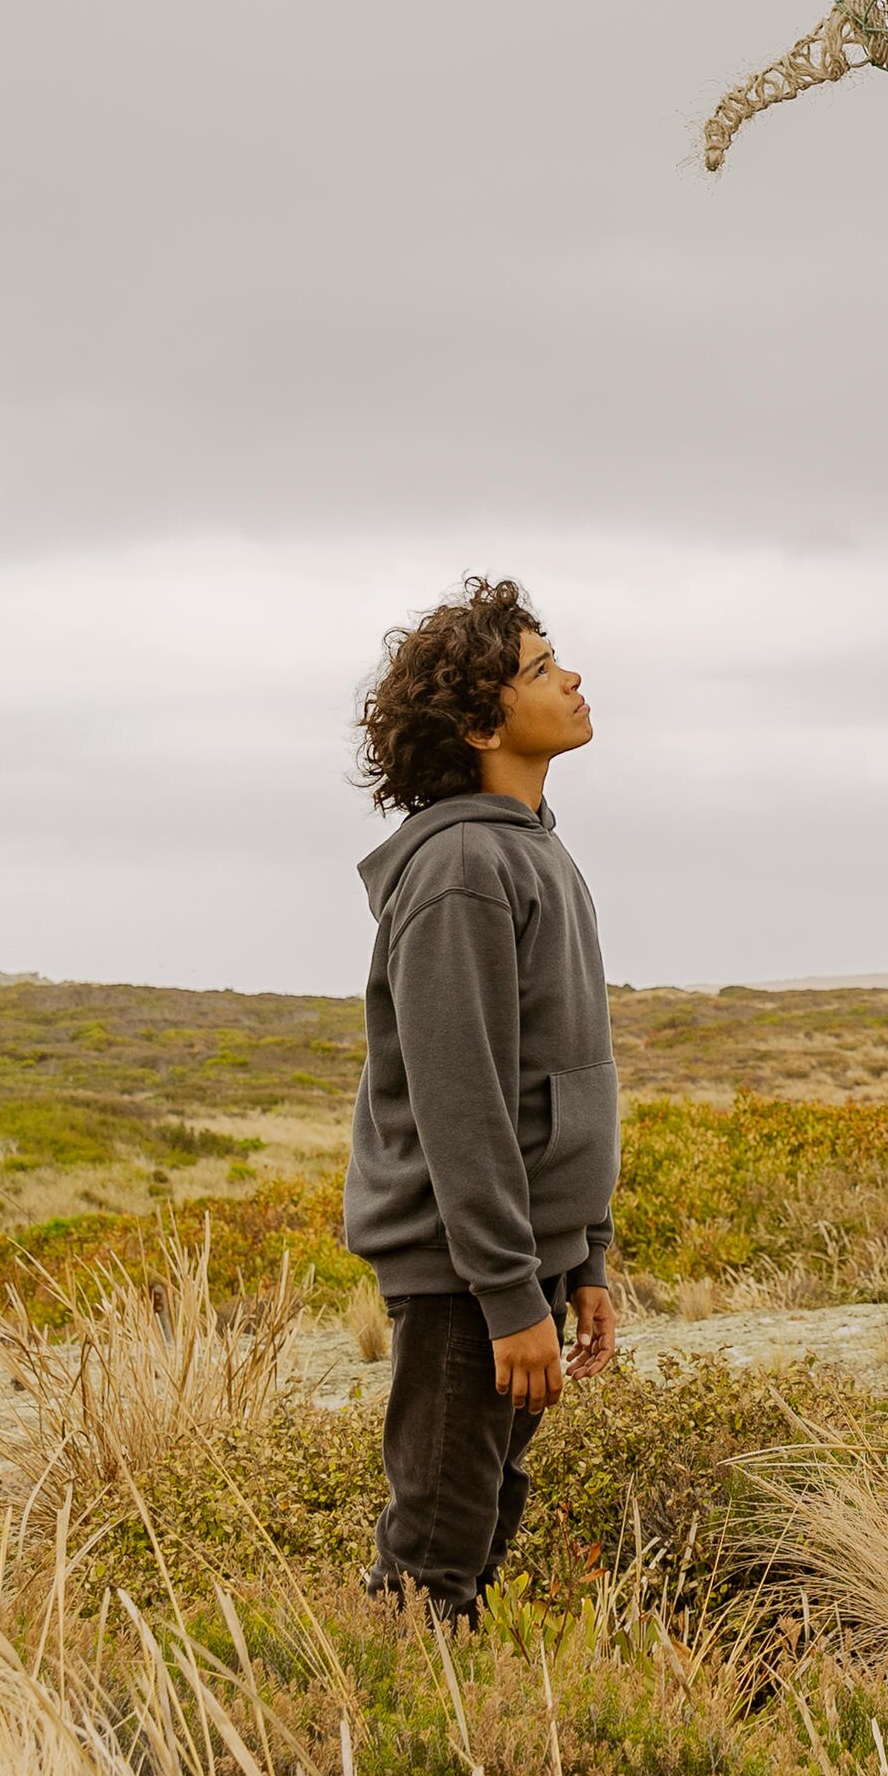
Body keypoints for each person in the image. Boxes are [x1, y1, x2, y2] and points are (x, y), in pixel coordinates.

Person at [343, 576, 619, 1620]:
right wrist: (511, 1294)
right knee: (433, 1555)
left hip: (512, 1265)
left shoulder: (528, 847)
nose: (571, 676)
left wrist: (580, 1255)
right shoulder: (463, 866)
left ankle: (444, 1742)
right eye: (540, 669)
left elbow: (556, 1072)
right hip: (464, 1276)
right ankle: (367, 1755)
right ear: (475, 720)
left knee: (481, 1517)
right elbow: (461, 1105)